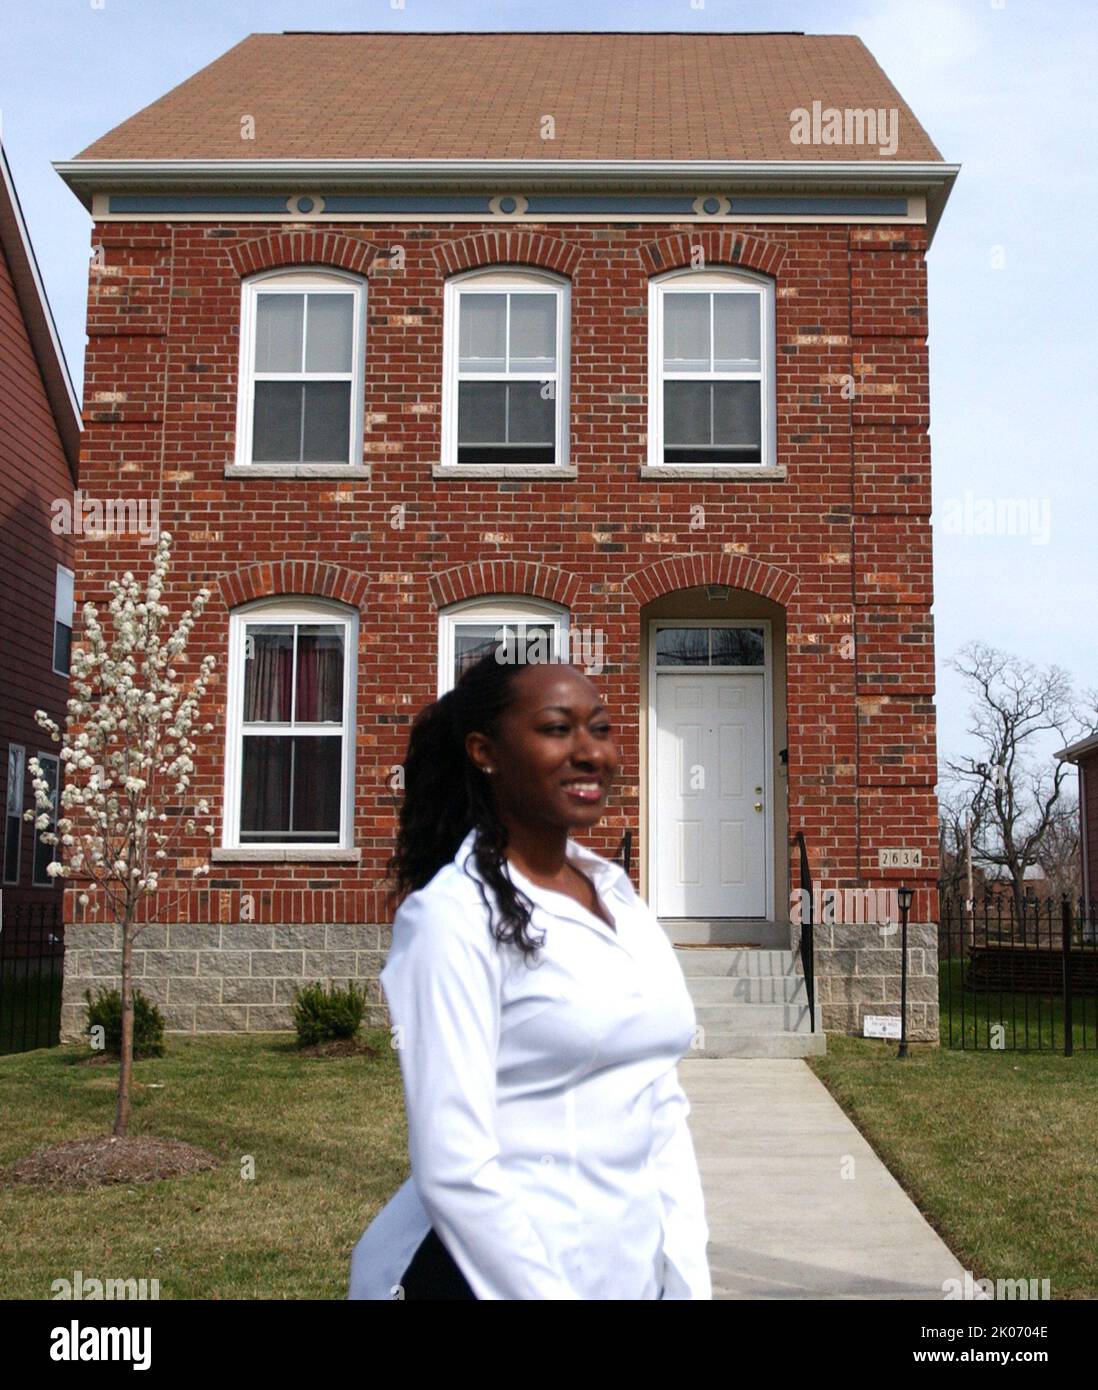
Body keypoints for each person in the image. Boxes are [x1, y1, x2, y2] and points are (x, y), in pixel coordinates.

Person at [347, 647, 712, 1300]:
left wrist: (685, 1282)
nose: (590, 751)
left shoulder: (618, 896)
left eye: (599, 728)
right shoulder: (452, 919)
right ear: (484, 751)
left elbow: (660, 1101)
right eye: (555, 728)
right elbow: (455, 1169)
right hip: (482, 1280)